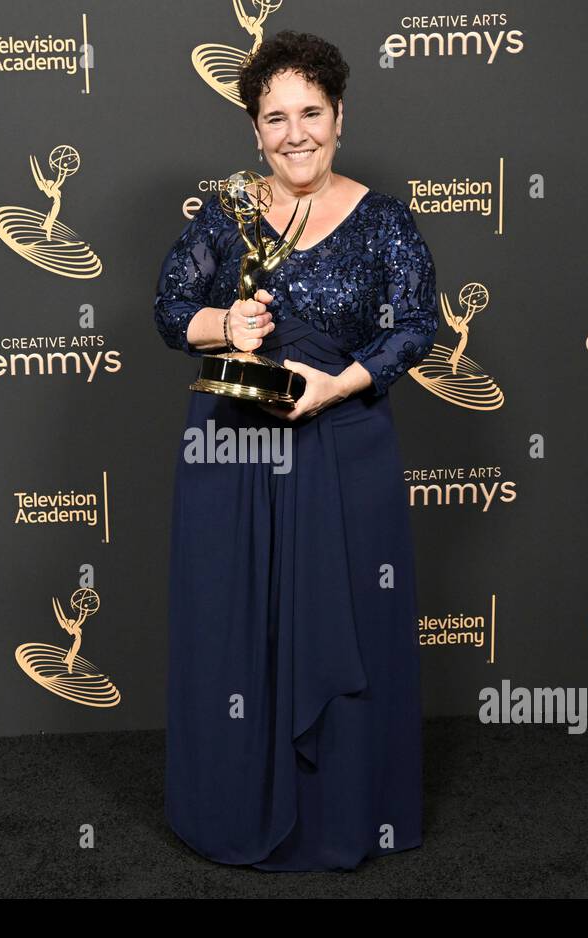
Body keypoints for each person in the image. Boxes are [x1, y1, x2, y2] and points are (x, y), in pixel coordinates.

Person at [152, 30, 439, 871]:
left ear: (340, 116)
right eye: (274, 117)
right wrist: (226, 323)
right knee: (232, 629)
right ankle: (235, 804)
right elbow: (172, 309)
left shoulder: (384, 220)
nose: (295, 133)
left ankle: (341, 820)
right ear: (254, 131)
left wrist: (337, 384)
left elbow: (415, 326)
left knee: (346, 626)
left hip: (343, 452)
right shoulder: (225, 215)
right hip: (231, 460)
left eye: (310, 112)